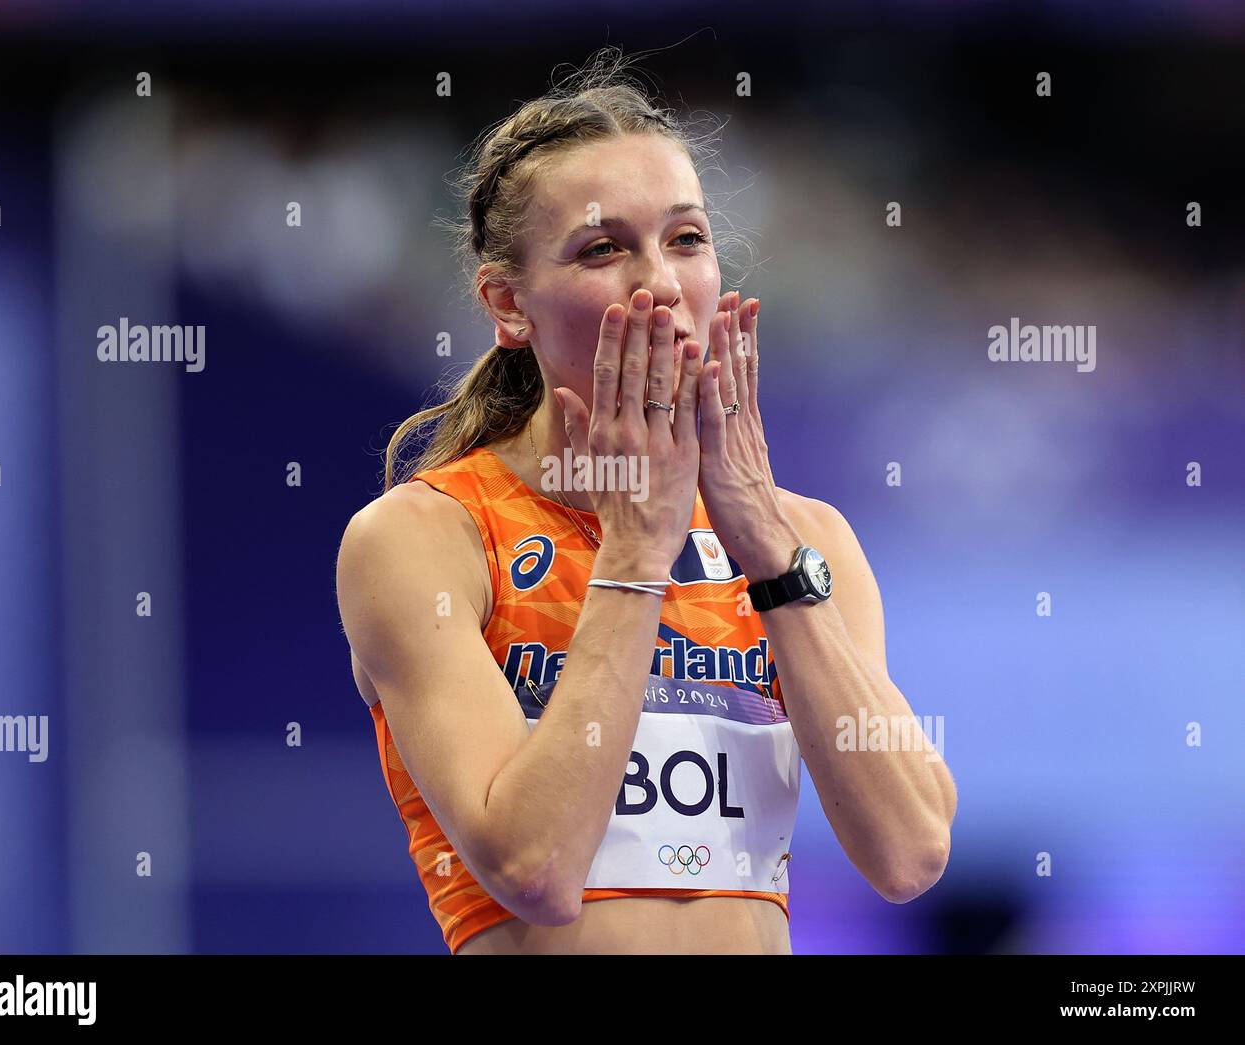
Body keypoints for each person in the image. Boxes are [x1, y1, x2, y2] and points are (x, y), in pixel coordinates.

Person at [335, 49, 957, 955]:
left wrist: (772, 558)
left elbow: (909, 853)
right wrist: (632, 553)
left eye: (687, 238)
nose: (661, 284)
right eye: (602, 249)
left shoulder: (806, 538)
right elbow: (535, 867)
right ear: (508, 305)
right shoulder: (426, 537)